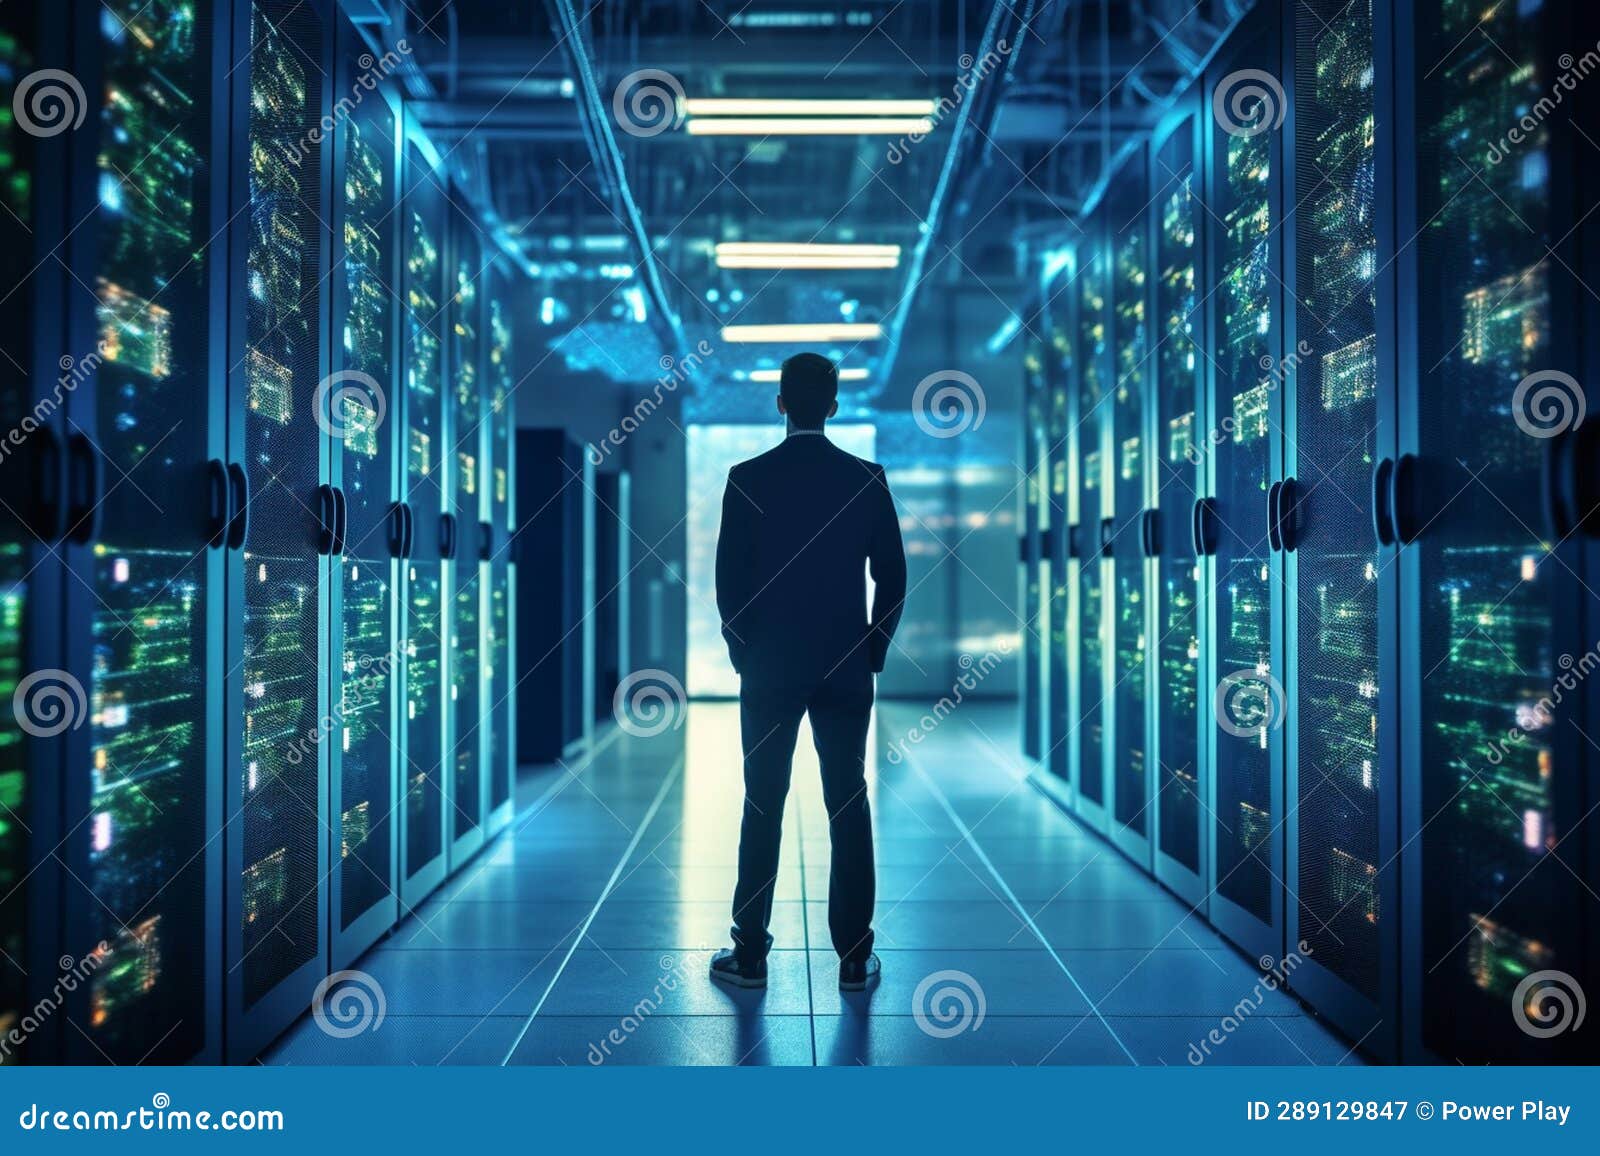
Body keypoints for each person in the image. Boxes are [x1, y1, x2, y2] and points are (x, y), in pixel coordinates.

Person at [710, 351, 907, 992]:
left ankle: (750, 955)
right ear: (835, 405)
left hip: (770, 665)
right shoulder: (865, 476)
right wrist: (871, 651)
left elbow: (728, 582)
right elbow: (894, 578)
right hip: (846, 664)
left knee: (762, 802)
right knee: (848, 801)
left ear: (779, 404)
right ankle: (853, 958)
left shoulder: (747, 477)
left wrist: (746, 652)